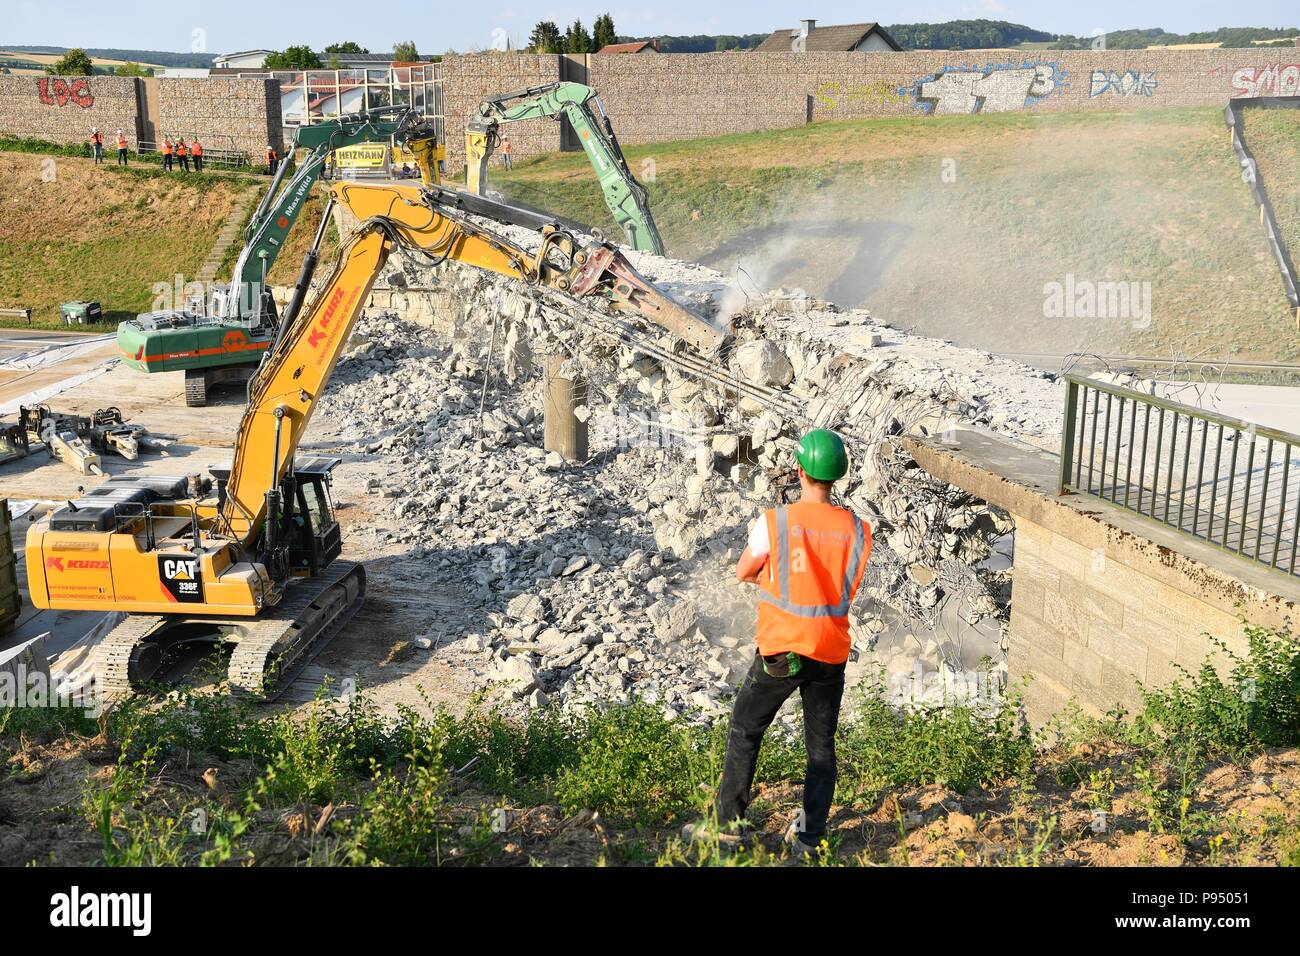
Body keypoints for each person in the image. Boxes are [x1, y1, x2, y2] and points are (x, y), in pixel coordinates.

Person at [688, 429, 870, 859]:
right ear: (837, 475)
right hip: (830, 651)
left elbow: (744, 571)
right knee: (821, 746)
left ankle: (727, 828)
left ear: (801, 470)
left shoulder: (777, 521)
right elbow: (845, 585)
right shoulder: (858, 531)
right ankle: (809, 837)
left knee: (746, 729)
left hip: (782, 651)